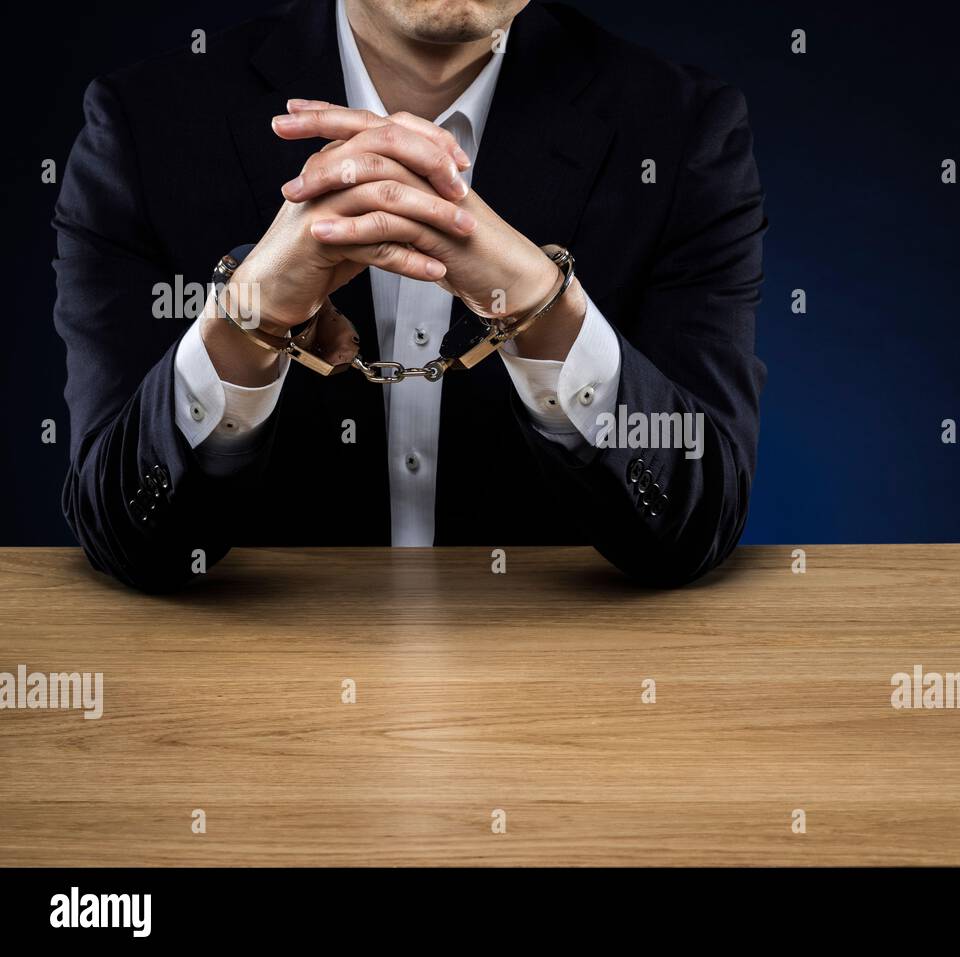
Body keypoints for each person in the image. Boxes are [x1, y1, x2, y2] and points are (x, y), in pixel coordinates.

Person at [53, 0, 765, 590]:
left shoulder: (682, 133)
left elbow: (693, 526)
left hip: (565, 712)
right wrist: (248, 319)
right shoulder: (143, 127)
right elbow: (124, 537)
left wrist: (540, 304)